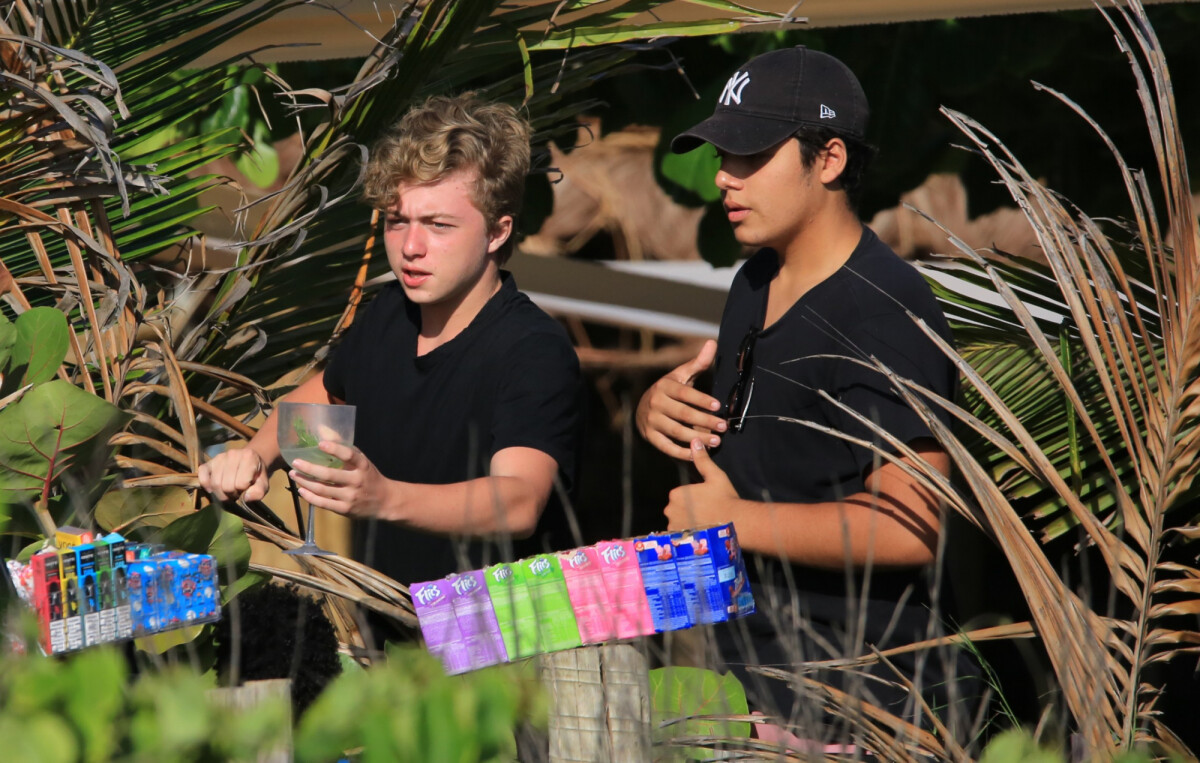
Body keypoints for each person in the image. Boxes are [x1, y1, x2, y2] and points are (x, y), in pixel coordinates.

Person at [637, 46, 974, 735]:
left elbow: (913, 524)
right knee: (478, 643)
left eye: (752, 155)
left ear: (830, 160)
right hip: (749, 691)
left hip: (865, 713)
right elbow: (747, 482)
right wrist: (658, 409)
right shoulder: (752, 283)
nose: (725, 178)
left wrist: (732, 521)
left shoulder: (883, 307)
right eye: (721, 155)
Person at [199, 94, 583, 592]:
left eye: (438, 225)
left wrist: (383, 498)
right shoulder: (388, 315)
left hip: (498, 647)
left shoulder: (533, 349)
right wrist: (254, 456)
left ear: (497, 231)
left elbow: (518, 504)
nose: (410, 247)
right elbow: (326, 396)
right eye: (398, 221)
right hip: (385, 637)